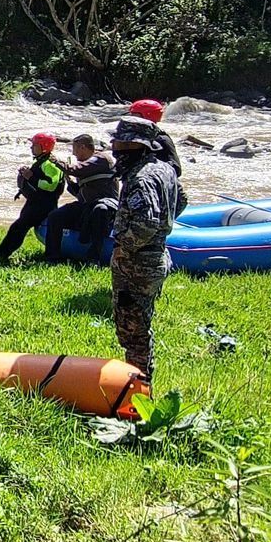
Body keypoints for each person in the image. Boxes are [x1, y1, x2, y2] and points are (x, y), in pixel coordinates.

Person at [107, 115, 183, 384]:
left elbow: (146, 222)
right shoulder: (164, 169)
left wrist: (124, 248)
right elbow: (181, 199)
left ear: (134, 146)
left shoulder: (140, 177)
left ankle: (138, 389)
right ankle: (140, 381)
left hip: (138, 262)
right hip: (156, 256)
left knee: (133, 330)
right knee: (141, 324)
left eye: (120, 145)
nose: (115, 151)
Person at [41, 132, 117, 264]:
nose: (74, 154)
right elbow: (79, 193)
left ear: (83, 147)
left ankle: (94, 258)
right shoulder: (87, 165)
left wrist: (55, 161)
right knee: (55, 216)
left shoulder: (100, 159)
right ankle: (52, 257)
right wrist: (70, 182)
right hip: (86, 205)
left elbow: (76, 169)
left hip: (106, 204)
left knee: (100, 210)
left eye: (75, 150)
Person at [0, 131, 64, 264]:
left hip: (43, 205)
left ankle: (2, 253)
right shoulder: (41, 161)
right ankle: (1, 250)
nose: (31, 148)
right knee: (17, 226)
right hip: (35, 202)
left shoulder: (51, 164)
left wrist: (31, 177)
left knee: (19, 227)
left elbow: (51, 185)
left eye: (34, 145)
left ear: (44, 147)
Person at [129, 97, 184, 174]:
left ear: (148, 116)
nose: (129, 120)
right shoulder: (131, 137)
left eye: (134, 116)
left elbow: (176, 169)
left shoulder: (161, 139)